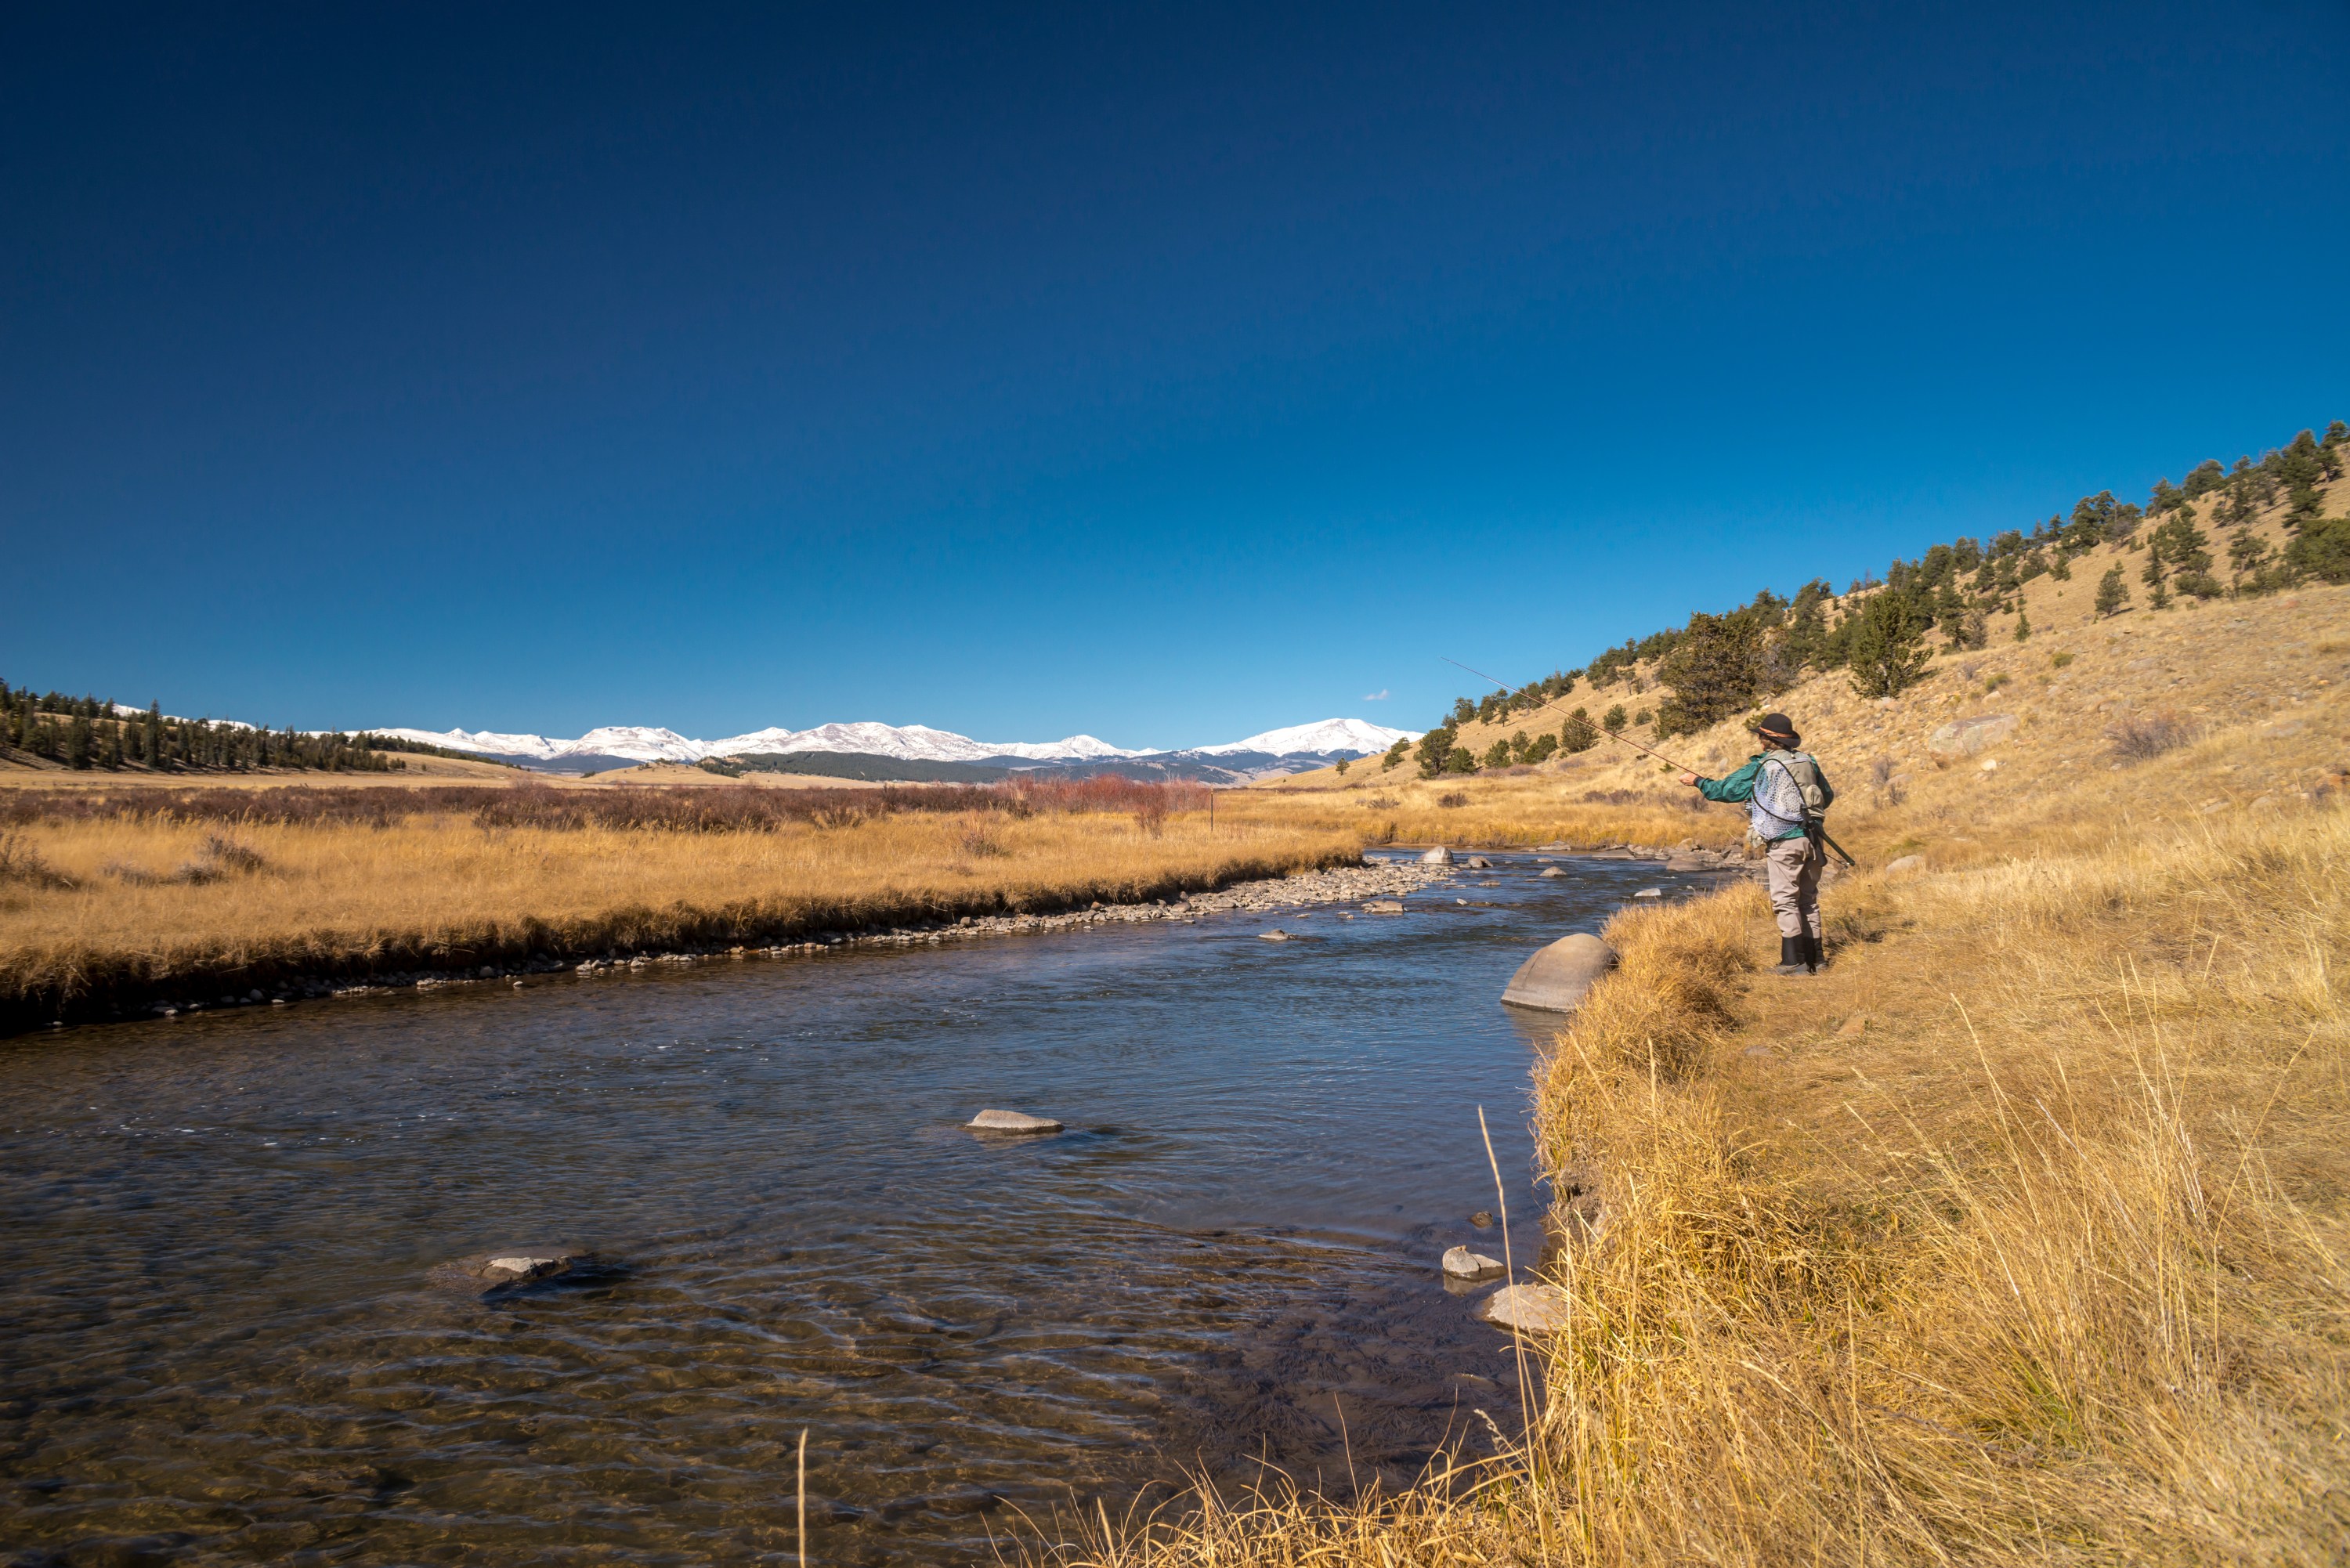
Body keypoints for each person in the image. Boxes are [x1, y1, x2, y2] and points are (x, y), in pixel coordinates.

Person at [1676, 713, 1834, 975]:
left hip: (1785, 842)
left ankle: (1793, 962)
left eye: (1760, 735)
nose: (1758, 739)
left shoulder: (1764, 765)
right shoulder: (1809, 761)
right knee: (1808, 899)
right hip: (1814, 839)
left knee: (1785, 900)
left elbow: (1726, 791)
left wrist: (1697, 781)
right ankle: (1817, 960)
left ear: (1767, 740)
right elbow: (1826, 796)